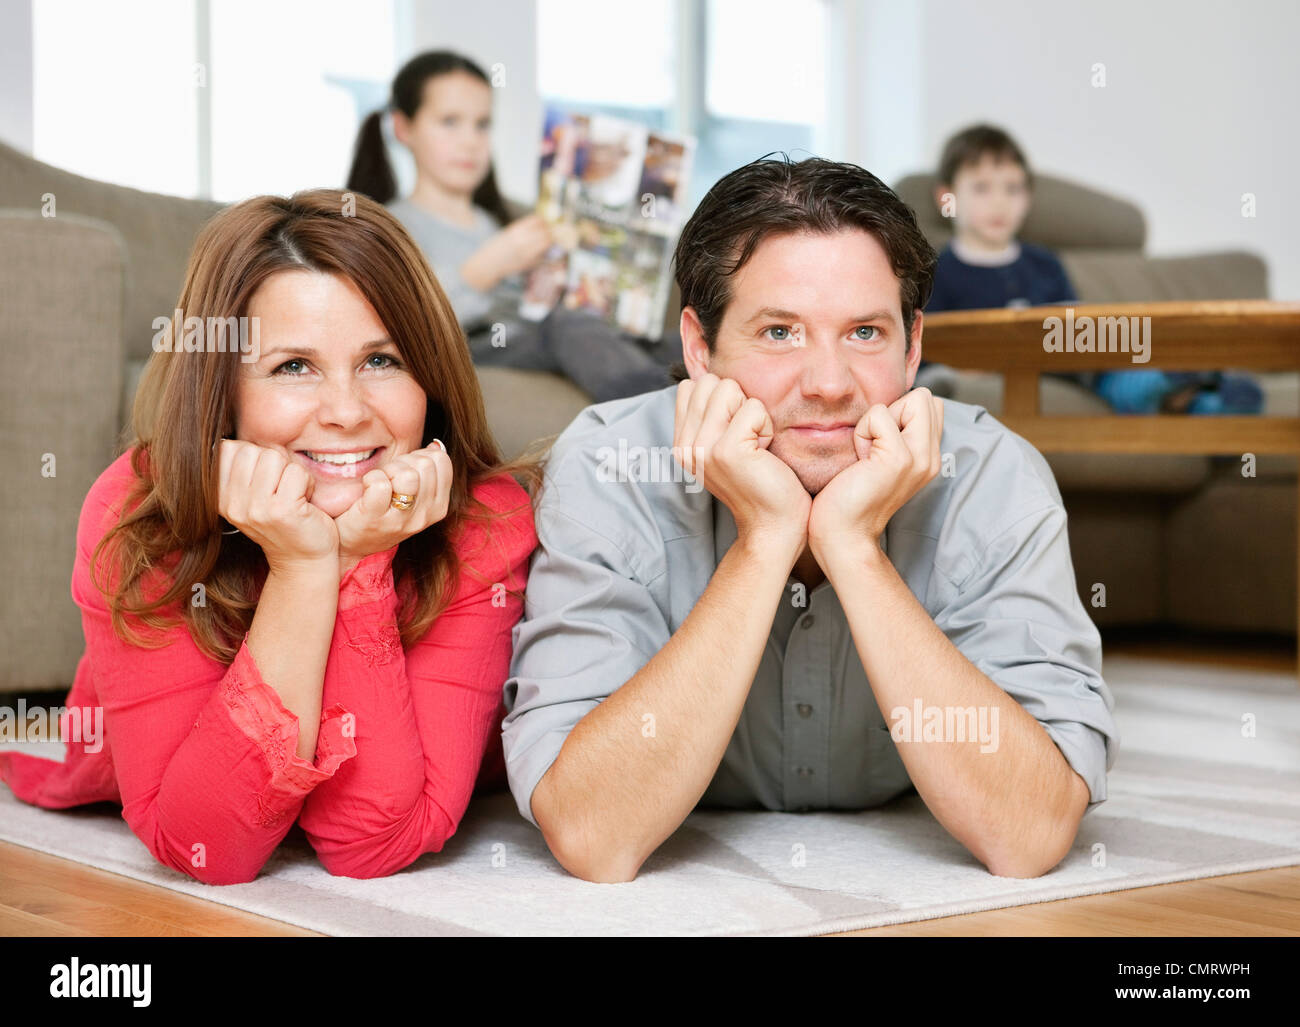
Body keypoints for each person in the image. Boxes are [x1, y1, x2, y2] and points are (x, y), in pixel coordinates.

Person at [501, 155, 1120, 884]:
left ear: (913, 346)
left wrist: (853, 547)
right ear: (698, 347)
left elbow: (1031, 830)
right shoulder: (609, 467)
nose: (828, 385)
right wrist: (764, 542)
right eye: (779, 332)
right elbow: (594, 833)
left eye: (864, 334)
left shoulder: (993, 475)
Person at [0, 190, 538, 885]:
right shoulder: (140, 511)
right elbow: (207, 847)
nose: (346, 412)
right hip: (133, 754)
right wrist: (303, 569)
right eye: (293, 367)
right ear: (222, 391)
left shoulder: (483, 519)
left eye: (382, 360)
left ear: (429, 378)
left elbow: (372, 842)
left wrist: (358, 562)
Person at [346, 50, 683, 402]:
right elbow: (399, 327)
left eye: (482, 124)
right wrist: (482, 270)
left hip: (534, 328)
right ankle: (660, 412)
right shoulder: (392, 226)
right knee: (567, 325)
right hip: (474, 344)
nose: (470, 141)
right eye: (449, 121)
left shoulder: (492, 221)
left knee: (664, 340)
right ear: (404, 128)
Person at [919, 123, 1263, 415]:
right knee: (940, 372)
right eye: (981, 188)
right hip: (992, 369)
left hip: (1067, 364)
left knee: (1102, 350)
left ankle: (1189, 389)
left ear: (1027, 199)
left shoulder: (1045, 264)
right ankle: (1190, 394)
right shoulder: (940, 272)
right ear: (946, 198)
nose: (999, 202)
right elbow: (931, 344)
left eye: (1012, 189)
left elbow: (1076, 324)